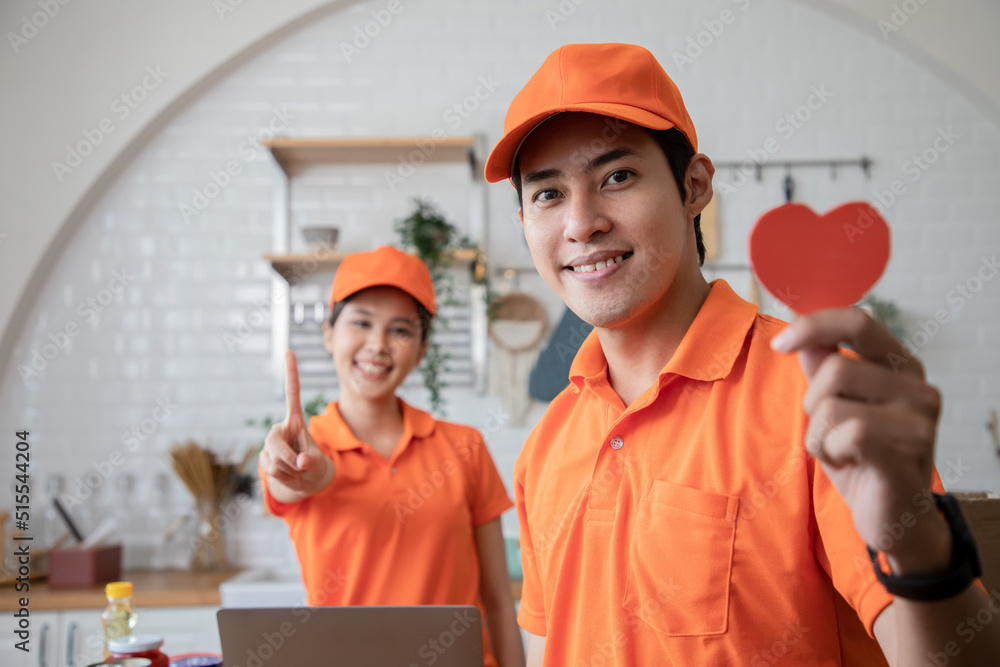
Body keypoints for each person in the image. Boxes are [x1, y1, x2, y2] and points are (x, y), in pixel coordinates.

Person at [484, 43, 1000, 666]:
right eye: (548, 195)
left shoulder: (817, 401)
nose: (581, 222)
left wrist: (917, 541)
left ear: (694, 186)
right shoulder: (548, 445)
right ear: (523, 222)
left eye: (617, 177)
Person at [257, 245, 525, 667]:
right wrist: (305, 475)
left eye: (400, 330)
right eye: (361, 322)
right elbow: (283, 483)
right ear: (329, 334)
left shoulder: (465, 448)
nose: (378, 345)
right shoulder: (301, 450)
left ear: (421, 350)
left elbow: (497, 598)